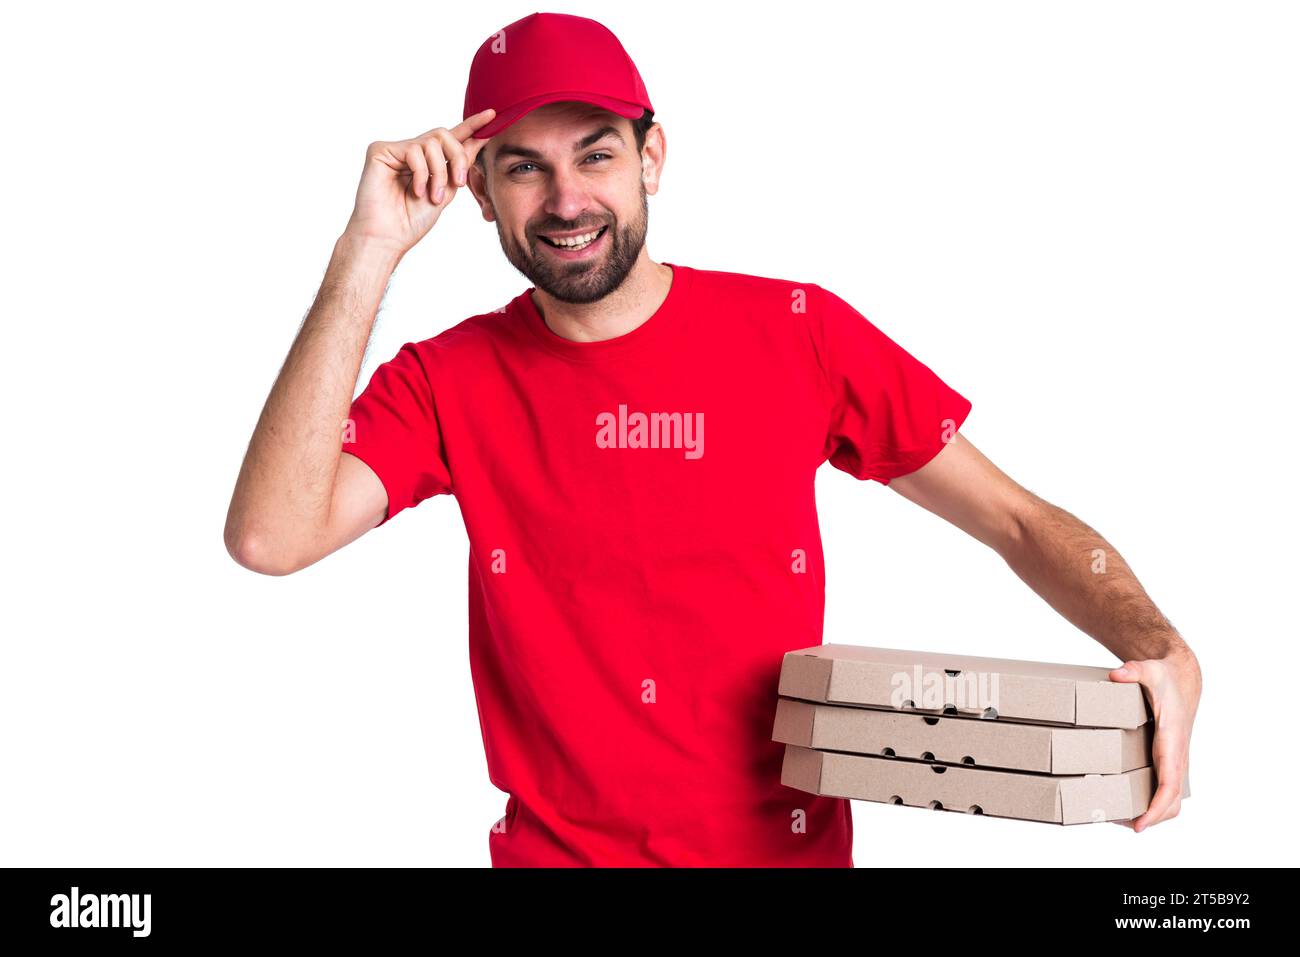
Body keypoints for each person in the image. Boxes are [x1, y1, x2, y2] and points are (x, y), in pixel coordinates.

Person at [223, 12, 1201, 866]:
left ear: (652, 157)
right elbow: (272, 536)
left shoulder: (797, 332)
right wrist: (368, 250)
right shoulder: (447, 379)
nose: (566, 201)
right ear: (479, 193)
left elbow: (1017, 521)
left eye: (595, 153)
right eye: (523, 168)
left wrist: (1155, 645)